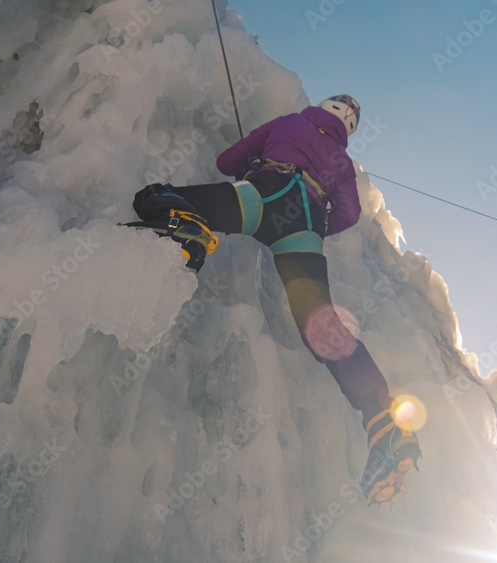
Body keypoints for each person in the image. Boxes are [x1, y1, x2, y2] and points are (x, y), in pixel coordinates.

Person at [131, 95, 420, 504]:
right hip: (305, 224)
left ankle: (189, 230)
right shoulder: (342, 160)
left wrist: (253, 167)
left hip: (268, 191)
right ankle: (384, 421)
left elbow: (227, 161)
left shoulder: (289, 121)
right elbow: (350, 214)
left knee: (154, 196)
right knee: (321, 327)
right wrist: (316, 221)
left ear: (324, 107)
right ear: (349, 128)